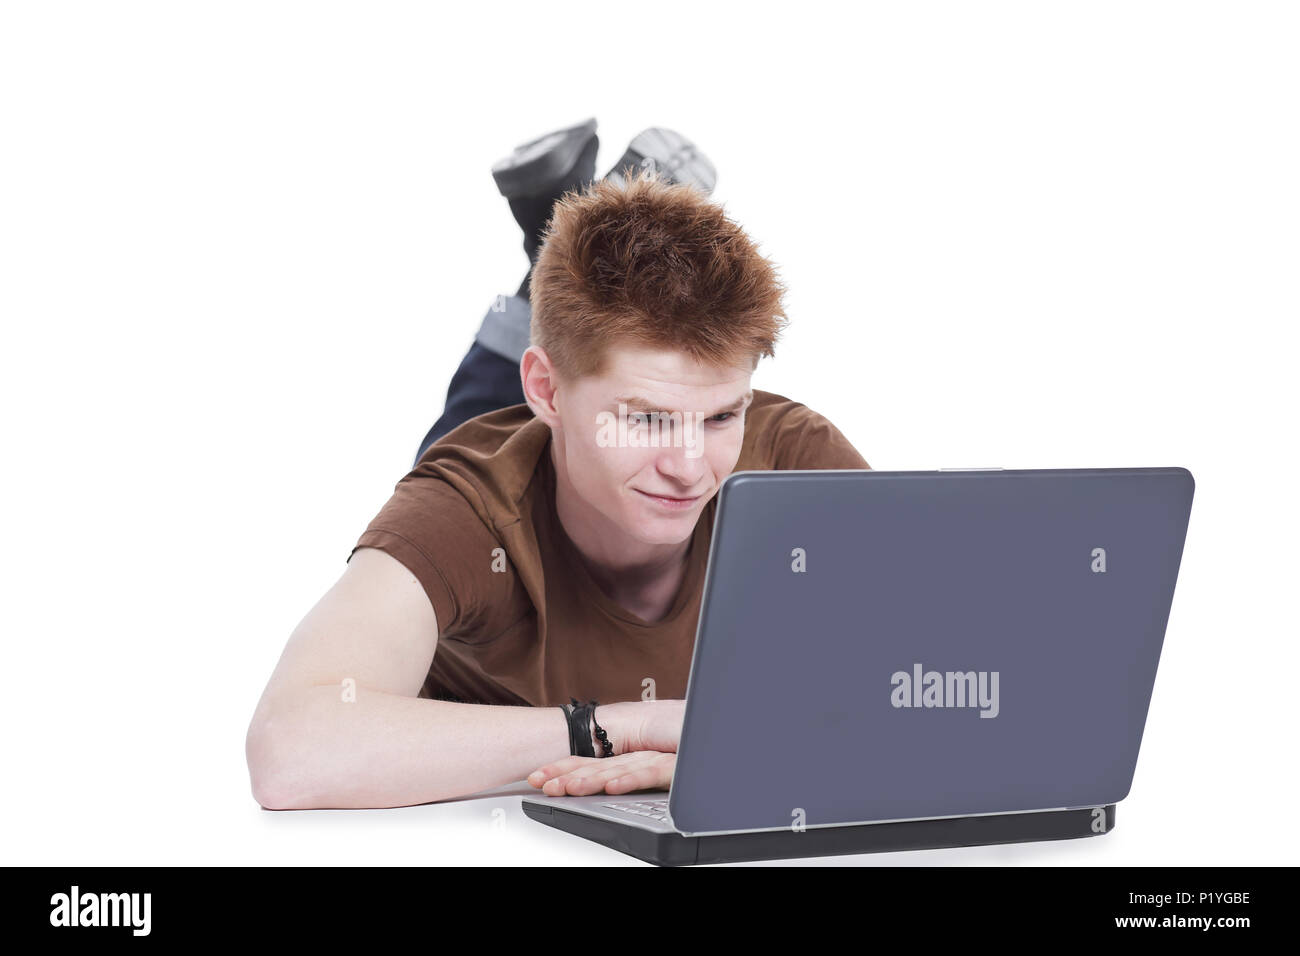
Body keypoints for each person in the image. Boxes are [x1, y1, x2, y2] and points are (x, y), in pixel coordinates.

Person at [245, 120, 871, 811]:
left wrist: (737, 746)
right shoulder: (465, 507)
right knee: (477, 413)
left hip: (555, 428)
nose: (691, 469)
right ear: (545, 391)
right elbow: (291, 750)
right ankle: (559, 232)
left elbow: (970, 689)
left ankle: (561, 223)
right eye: (647, 417)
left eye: (722, 416)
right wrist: (624, 727)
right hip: (515, 461)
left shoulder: (794, 457)